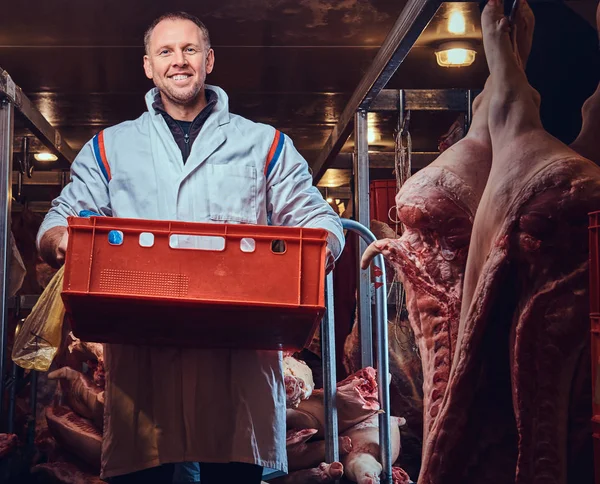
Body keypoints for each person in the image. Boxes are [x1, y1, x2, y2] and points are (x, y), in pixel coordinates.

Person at [37, 11, 344, 484]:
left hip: (237, 357)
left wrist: (325, 247)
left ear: (209, 59)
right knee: (145, 474)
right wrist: (61, 241)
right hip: (143, 359)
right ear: (147, 65)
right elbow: (62, 216)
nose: (178, 62)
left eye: (189, 50)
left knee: (232, 473)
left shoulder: (264, 144)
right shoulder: (110, 147)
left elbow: (317, 218)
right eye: (165, 52)